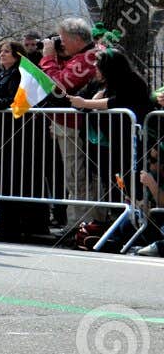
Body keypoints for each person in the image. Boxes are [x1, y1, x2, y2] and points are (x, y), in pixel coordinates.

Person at [38, 18, 102, 227]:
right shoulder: (83, 56)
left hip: (75, 127)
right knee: (77, 177)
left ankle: (80, 225)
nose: (61, 44)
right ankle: (84, 223)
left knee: (76, 177)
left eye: (63, 40)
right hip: (73, 126)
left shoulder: (87, 58)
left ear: (76, 39)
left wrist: (48, 59)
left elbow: (59, 87)